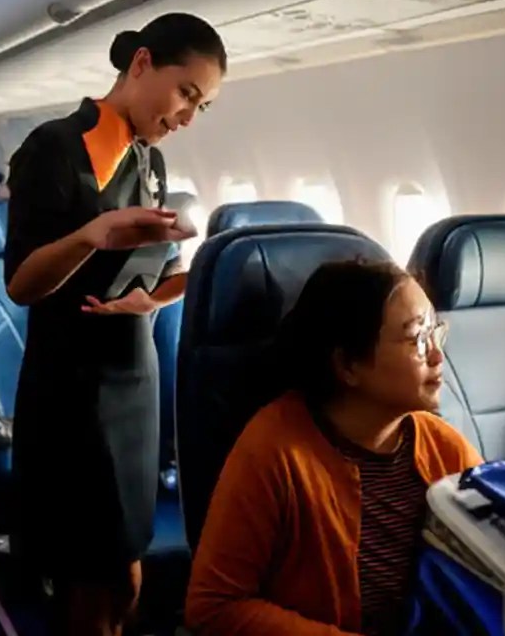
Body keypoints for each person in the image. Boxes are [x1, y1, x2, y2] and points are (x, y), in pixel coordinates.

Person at [3, 12, 226, 636]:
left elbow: (149, 273)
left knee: (127, 579)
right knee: (88, 590)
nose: (187, 116)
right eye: (187, 93)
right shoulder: (54, 148)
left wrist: (160, 296)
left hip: (134, 384)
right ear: (143, 64)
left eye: (201, 107)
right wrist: (89, 235)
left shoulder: (148, 160)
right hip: (72, 392)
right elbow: (22, 283)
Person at [185, 259, 484, 636]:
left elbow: (490, 558)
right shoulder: (274, 451)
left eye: (435, 333)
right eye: (415, 339)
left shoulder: (443, 447)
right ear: (348, 365)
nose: (438, 356)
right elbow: (213, 606)